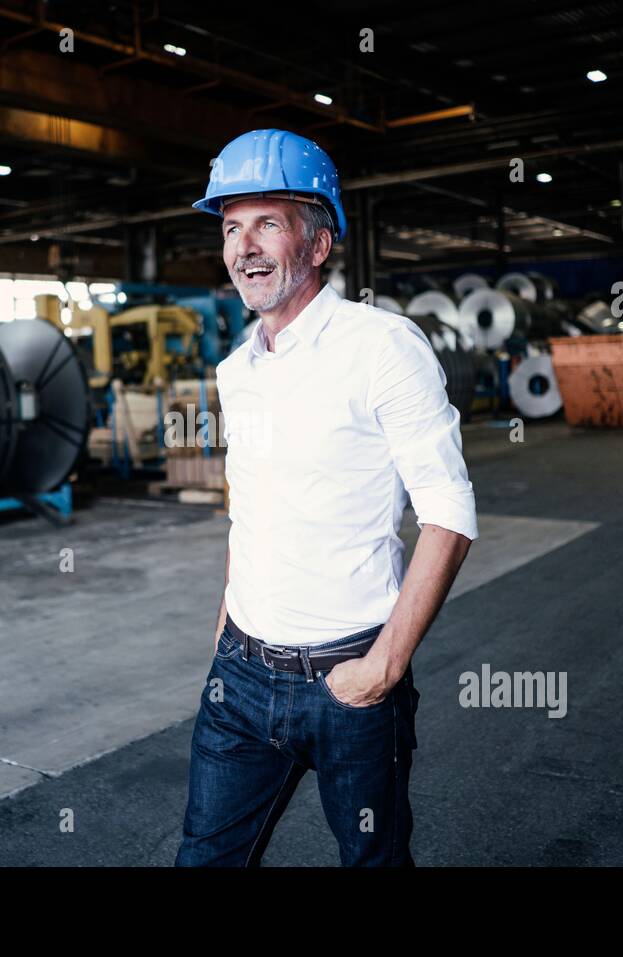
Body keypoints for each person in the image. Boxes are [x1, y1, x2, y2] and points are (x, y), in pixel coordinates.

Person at [174, 129, 478, 867]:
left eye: (267, 223)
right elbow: (249, 508)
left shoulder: (382, 347)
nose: (244, 246)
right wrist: (226, 630)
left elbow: (449, 512)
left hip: (350, 682)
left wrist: (381, 667)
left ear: (317, 244)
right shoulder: (235, 370)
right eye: (231, 226)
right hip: (239, 680)